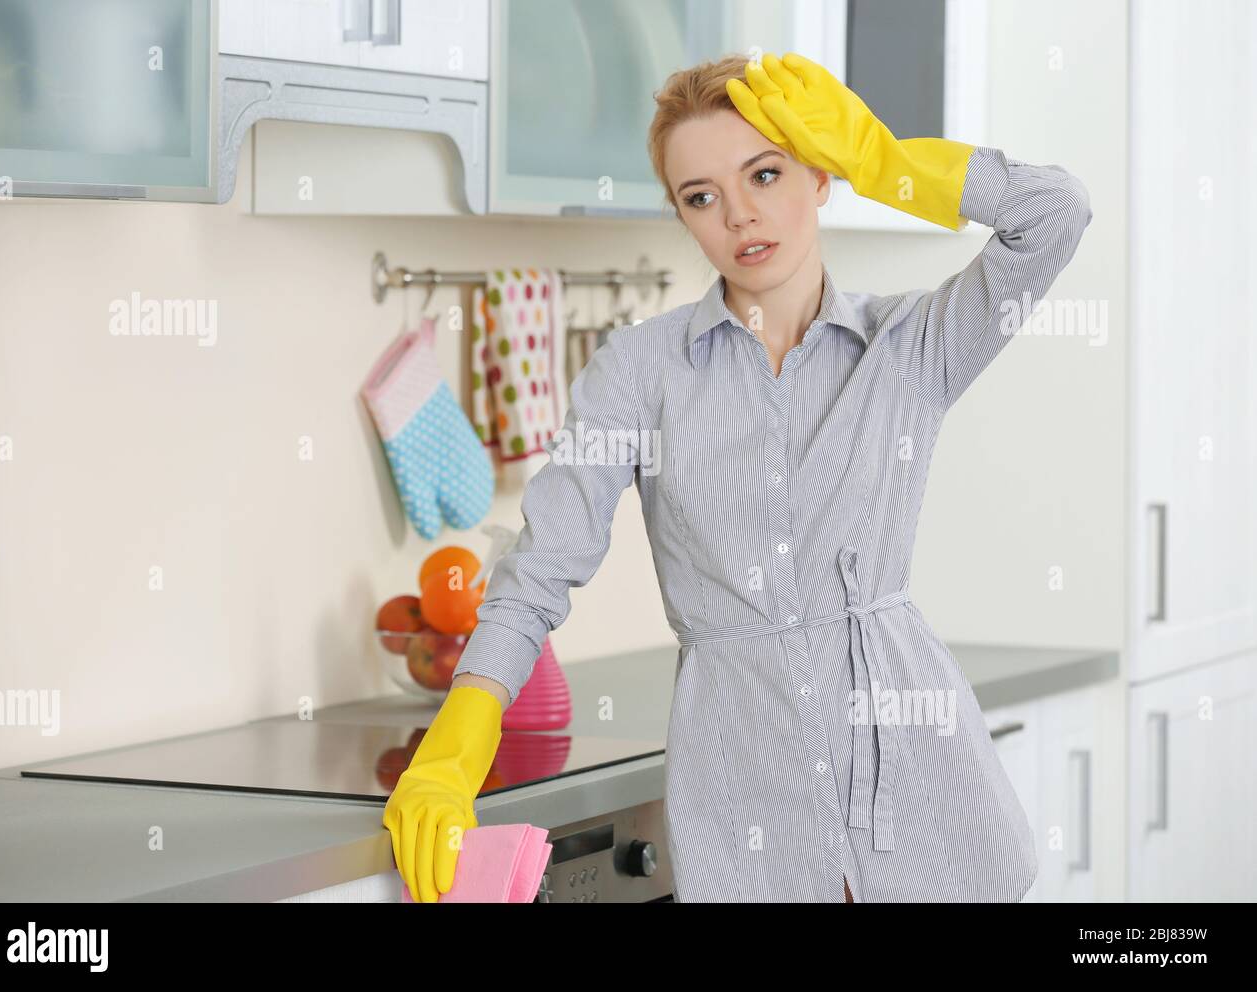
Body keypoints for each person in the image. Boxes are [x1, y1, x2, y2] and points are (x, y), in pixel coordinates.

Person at [385, 51, 1092, 904]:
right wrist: (459, 740)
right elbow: (542, 567)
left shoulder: (912, 348)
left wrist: (886, 160)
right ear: (681, 215)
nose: (741, 216)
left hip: (932, 817)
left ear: (821, 174)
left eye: (766, 172)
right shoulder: (639, 373)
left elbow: (1055, 215)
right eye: (701, 196)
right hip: (747, 817)